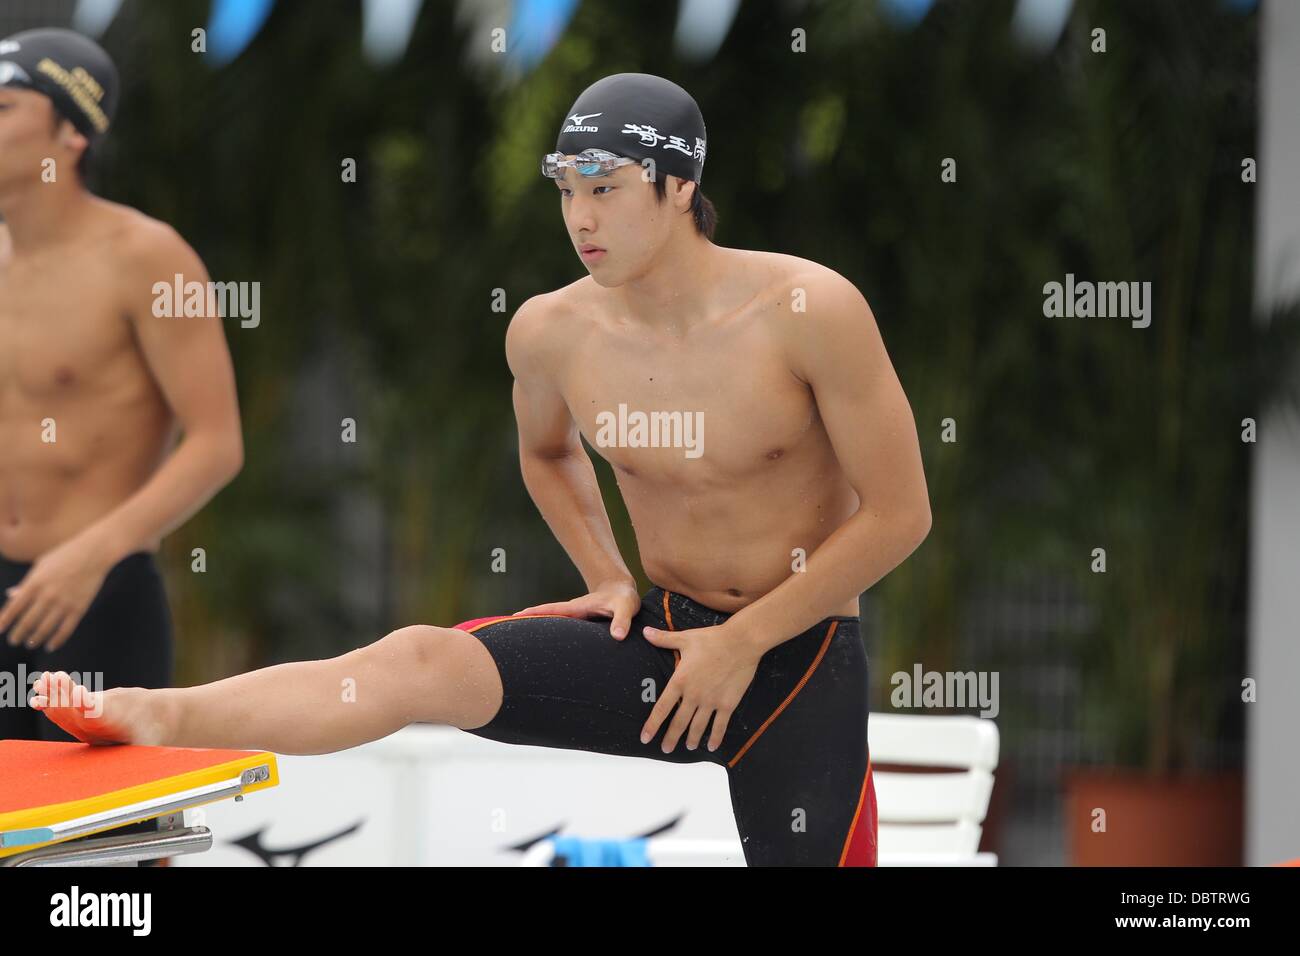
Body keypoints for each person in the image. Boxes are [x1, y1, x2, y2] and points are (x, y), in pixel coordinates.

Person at [31, 73, 931, 867]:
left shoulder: (809, 310)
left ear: (681, 186)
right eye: (568, 190)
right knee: (420, 660)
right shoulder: (551, 331)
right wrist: (609, 579)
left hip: (795, 658)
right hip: (662, 643)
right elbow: (545, 453)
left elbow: (900, 515)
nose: (581, 218)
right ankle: (163, 716)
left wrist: (741, 643)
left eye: (607, 190)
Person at [0, 29, 244, 741]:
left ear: (71, 132)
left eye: (5, 106)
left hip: (95, 595)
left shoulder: (147, 258)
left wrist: (93, 552)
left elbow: (217, 444)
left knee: (94, 847)